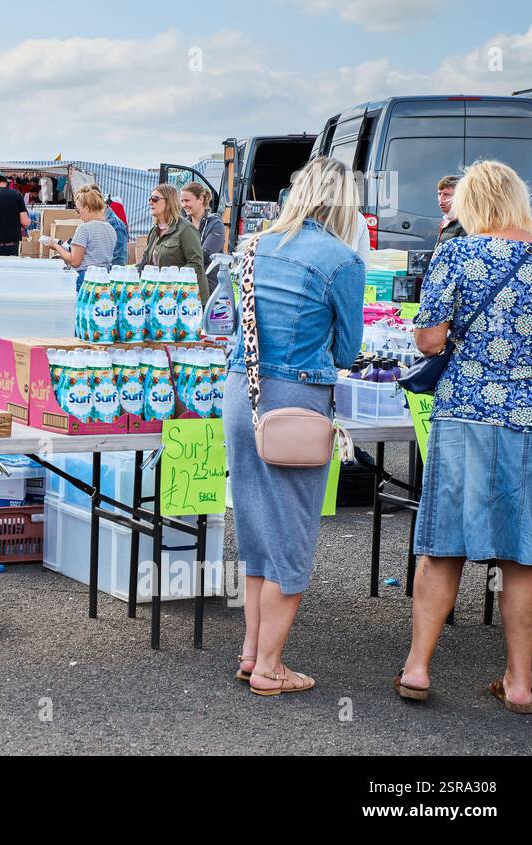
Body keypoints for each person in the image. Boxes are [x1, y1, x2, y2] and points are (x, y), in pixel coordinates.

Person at [396, 160, 532, 714]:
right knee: (523, 555)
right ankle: (521, 682)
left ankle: (417, 667)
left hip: (465, 411)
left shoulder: (456, 254)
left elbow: (431, 341)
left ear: (471, 203)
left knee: (442, 546)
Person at [222, 156, 365, 696]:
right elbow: (348, 350)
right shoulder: (341, 259)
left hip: (243, 392)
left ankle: (252, 652)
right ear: (342, 202)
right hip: (297, 401)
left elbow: (237, 324)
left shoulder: (252, 248)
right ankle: (270, 668)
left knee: (257, 530)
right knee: (292, 536)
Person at [43, 183, 121, 289]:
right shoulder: (111, 229)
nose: (79, 216)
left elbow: (75, 261)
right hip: (104, 279)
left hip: (85, 279)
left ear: (87, 208)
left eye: (79, 211)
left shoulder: (84, 228)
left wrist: (55, 245)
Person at [139, 184, 208, 296]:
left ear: (169, 202)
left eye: (155, 199)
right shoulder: (154, 231)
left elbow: (196, 265)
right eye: (150, 199)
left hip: (187, 298)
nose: (150, 202)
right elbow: (145, 263)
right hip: (162, 295)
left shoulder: (185, 229)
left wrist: (169, 276)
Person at [182, 181, 224, 294]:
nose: (183, 205)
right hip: (185, 281)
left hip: (208, 283)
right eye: (182, 201)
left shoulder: (216, 224)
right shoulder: (183, 224)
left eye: (187, 201)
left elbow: (205, 255)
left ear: (200, 199)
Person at [434, 174, 464, 247]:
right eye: (439, 194)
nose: (441, 199)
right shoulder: (447, 221)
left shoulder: (464, 224)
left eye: (446, 194)